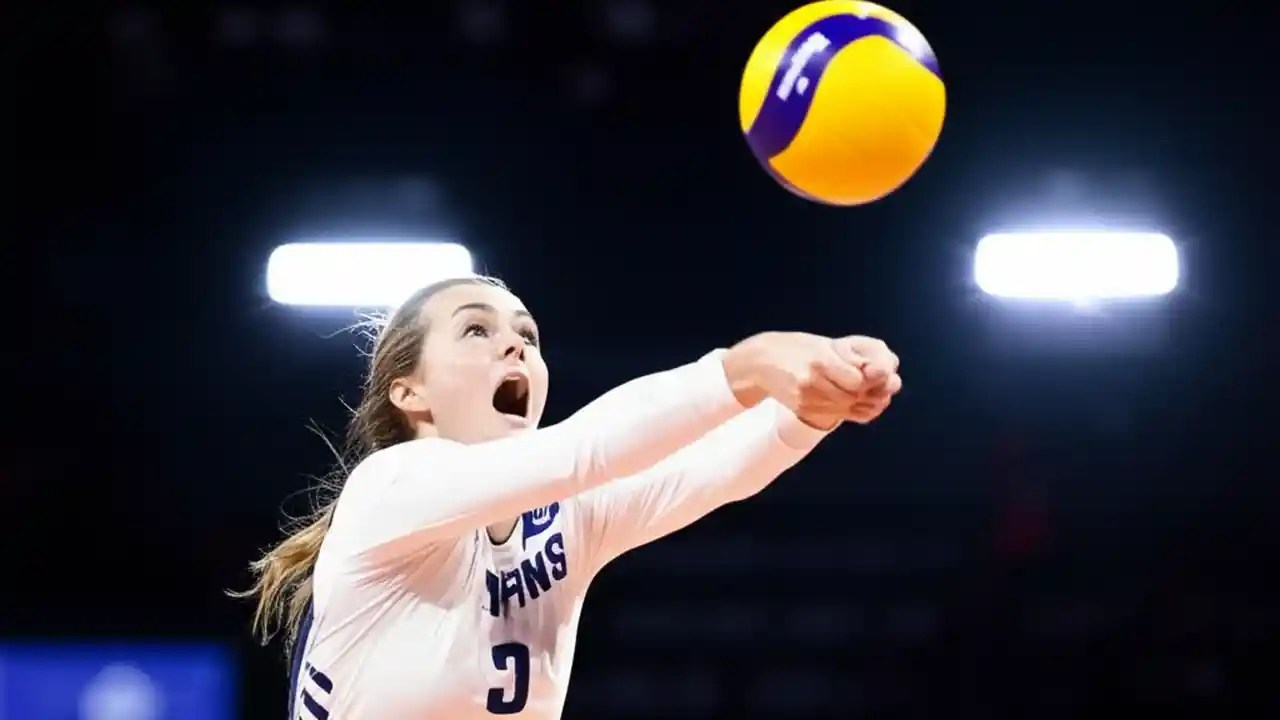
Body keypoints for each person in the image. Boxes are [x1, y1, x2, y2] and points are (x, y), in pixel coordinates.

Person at [238, 275, 902, 719]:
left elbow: (718, 470)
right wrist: (747, 364)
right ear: (410, 393)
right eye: (477, 330)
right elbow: (588, 447)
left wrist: (819, 404)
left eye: (527, 335)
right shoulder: (387, 489)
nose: (514, 345)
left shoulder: (564, 517)